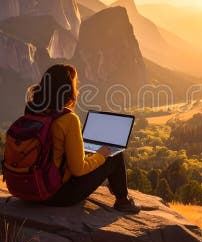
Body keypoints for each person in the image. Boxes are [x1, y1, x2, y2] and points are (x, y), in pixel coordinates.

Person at [26, 63, 140, 213]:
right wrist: (101, 155)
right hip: (56, 195)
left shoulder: (31, 109)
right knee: (115, 155)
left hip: (29, 188)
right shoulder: (69, 119)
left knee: (91, 156)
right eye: (75, 85)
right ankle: (123, 202)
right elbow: (78, 170)